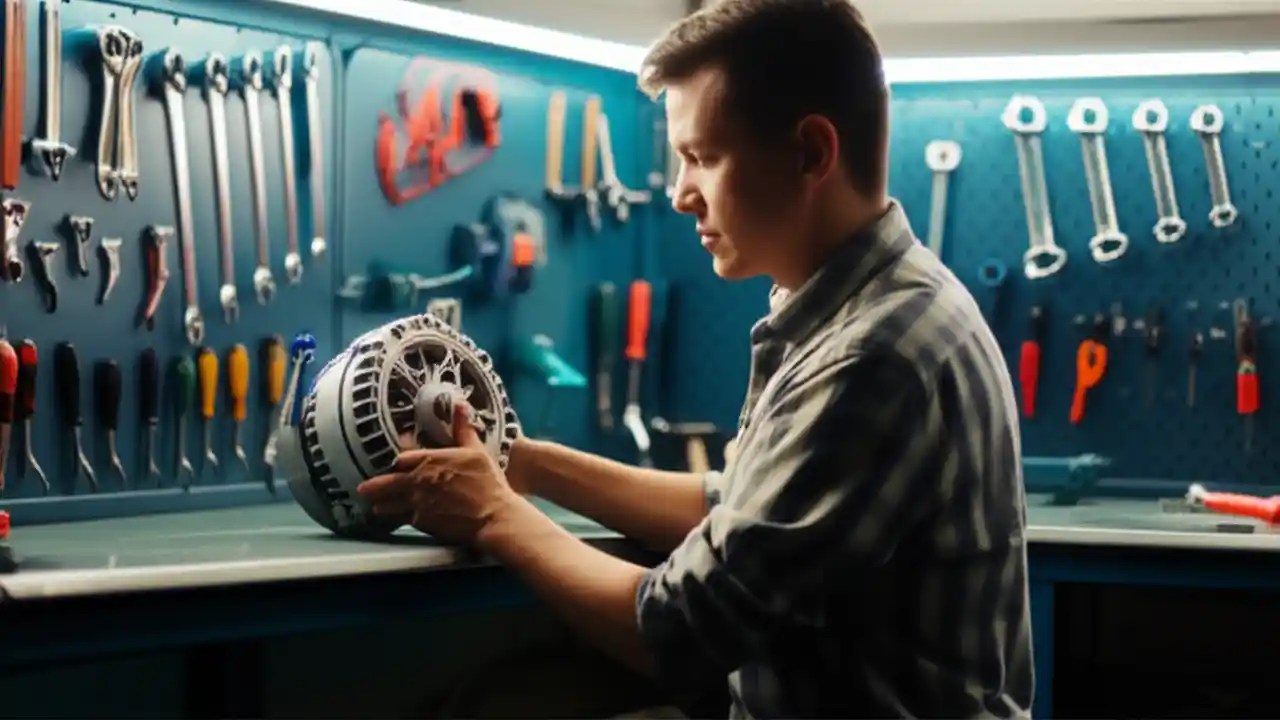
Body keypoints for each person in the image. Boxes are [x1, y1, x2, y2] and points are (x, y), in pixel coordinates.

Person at [357, 0, 1034, 716]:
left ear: (811, 153)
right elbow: (734, 509)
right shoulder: (875, 304)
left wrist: (493, 513)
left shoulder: (872, 356)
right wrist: (523, 463)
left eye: (703, 158)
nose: (681, 195)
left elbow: (678, 631)